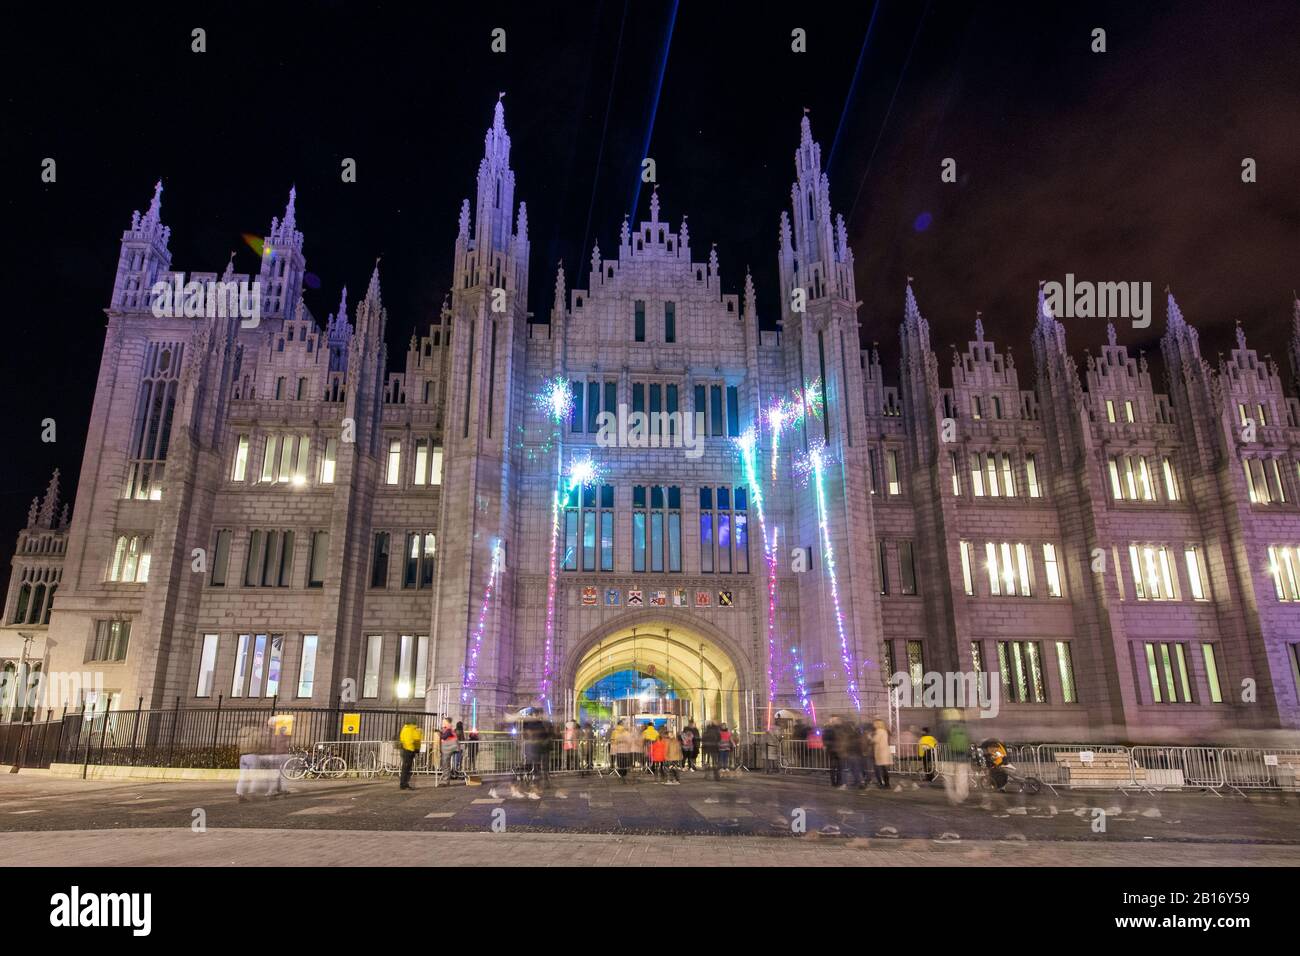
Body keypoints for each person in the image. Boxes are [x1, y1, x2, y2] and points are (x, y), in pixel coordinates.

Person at [941, 714, 971, 804]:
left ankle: (951, 796)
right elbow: (968, 742)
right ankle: (960, 796)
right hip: (963, 758)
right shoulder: (965, 730)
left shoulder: (948, 729)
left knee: (948, 777)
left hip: (949, 757)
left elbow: (945, 741)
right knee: (961, 777)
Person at [834, 719, 863, 789]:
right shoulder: (856, 733)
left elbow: (843, 745)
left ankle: (844, 784)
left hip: (847, 754)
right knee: (855, 769)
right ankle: (859, 782)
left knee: (845, 769)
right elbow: (859, 743)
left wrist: (841, 751)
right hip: (855, 753)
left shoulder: (844, 735)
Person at [398, 719, 423, 791]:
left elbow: (402, 738)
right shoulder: (411, 729)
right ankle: (404, 784)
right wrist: (419, 732)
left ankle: (404, 784)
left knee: (406, 768)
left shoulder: (405, 729)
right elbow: (416, 738)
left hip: (406, 749)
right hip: (409, 750)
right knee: (407, 768)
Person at [439, 717, 462, 784]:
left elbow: (444, 737)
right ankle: (446, 780)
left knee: (446, 764)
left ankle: (446, 781)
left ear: (447, 722)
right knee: (446, 764)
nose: (442, 723)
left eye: (444, 722)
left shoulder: (448, 729)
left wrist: (439, 733)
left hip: (449, 748)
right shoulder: (448, 729)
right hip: (450, 748)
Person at [871, 718, 892, 789]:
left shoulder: (879, 731)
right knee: (884, 769)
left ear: (877, 724)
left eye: (874, 723)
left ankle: (885, 784)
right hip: (884, 751)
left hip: (880, 752)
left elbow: (875, 740)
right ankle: (887, 784)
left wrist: (870, 737)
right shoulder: (885, 731)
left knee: (881, 769)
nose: (873, 725)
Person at [823, 718, 841, 787]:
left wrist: (826, 745)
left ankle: (834, 782)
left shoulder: (828, 730)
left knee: (834, 768)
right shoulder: (838, 729)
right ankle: (837, 782)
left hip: (832, 750)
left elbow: (824, 739)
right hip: (837, 750)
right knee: (838, 767)